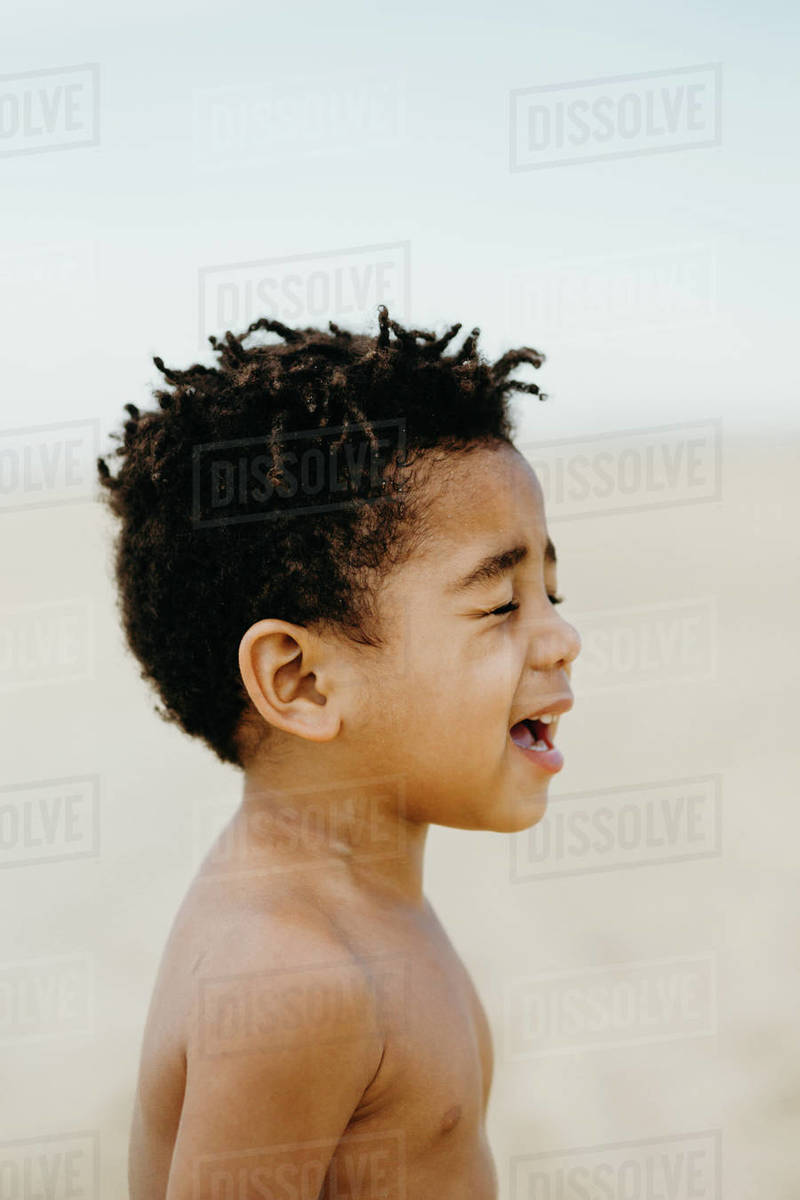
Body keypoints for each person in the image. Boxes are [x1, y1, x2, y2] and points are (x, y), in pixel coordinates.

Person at [98, 305, 581, 1199]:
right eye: (500, 605)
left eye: (549, 589)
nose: (563, 638)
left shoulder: (360, 906)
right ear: (302, 683)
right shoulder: (296, 979)